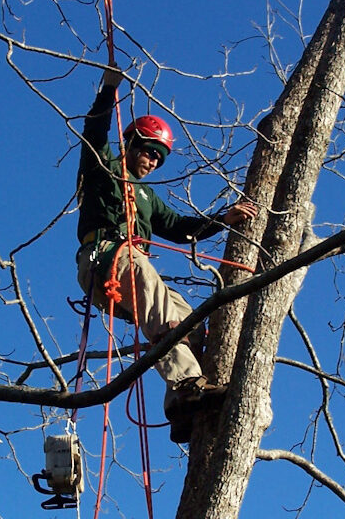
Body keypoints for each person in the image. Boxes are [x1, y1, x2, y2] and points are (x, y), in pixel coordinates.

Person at [75, 65, 258, 443]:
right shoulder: (104, 169)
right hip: (106, 258)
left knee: (187, 321)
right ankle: (188, 383)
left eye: (159, 158)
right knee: (155, 297)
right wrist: (109, 89)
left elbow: (178, 228)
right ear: (132, 144)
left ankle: (179, 405)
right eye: (149, 152)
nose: (153, 162)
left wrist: (223, 218)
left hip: (129, 267)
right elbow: (94, 130)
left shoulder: (147, 197)